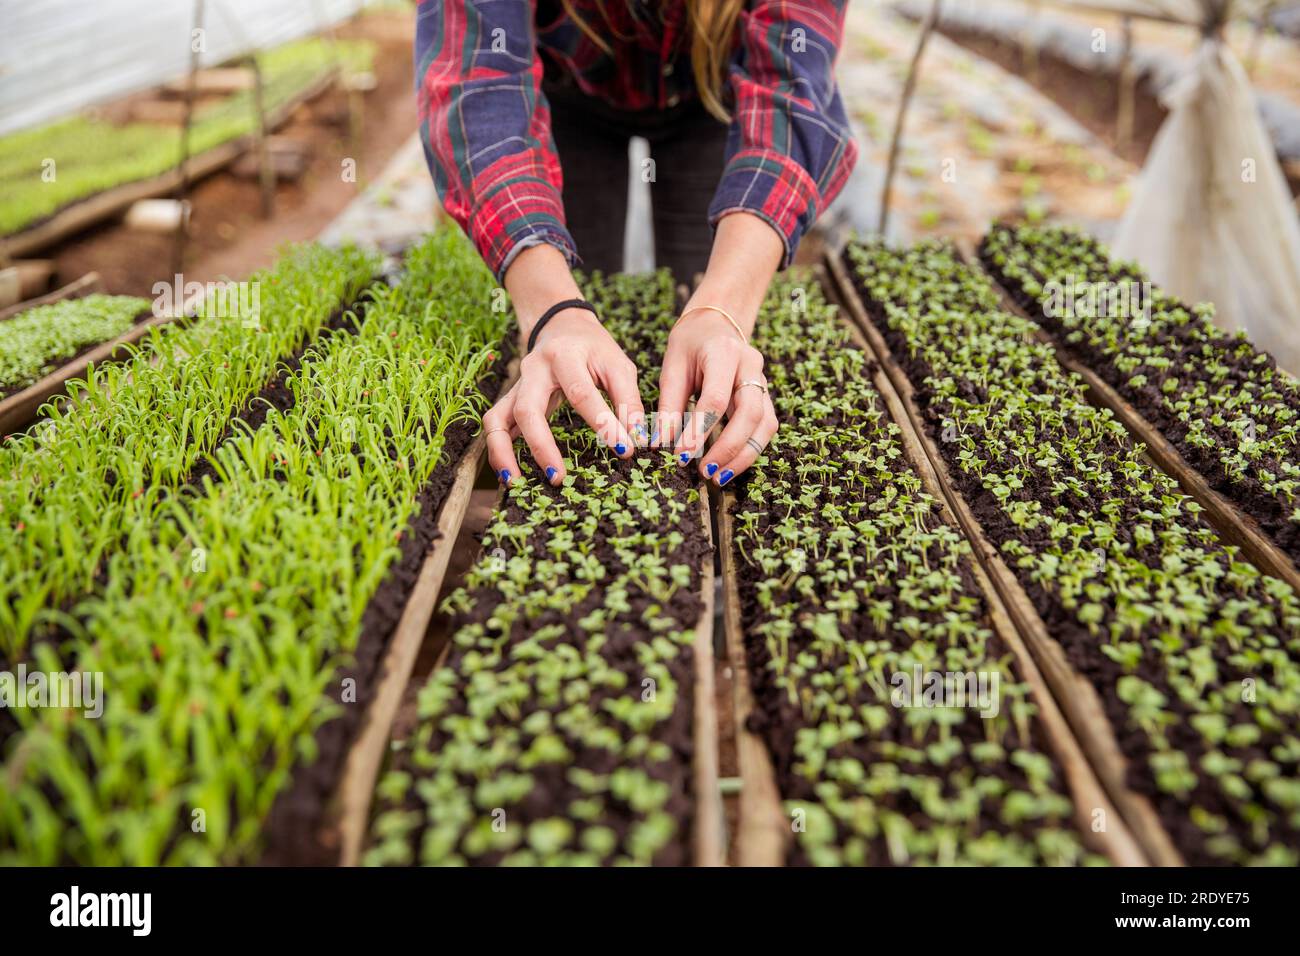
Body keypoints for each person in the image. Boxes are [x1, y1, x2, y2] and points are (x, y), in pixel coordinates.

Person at [415, 0, 857, 486]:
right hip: (568, 92)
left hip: (712, 98)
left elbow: (793, 88)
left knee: (705, 316)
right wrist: (551, 312)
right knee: (578, 311)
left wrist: (722, 311)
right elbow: (478, 85)